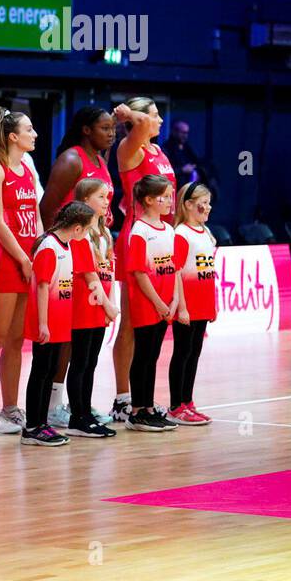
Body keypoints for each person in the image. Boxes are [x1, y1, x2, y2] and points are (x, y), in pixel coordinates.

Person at [110, 98, 176, 422]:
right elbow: (134, 122)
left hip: (162, 240)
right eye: (154, 115)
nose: (160, 120)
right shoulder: (129, 147)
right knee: (132, 324)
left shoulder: (158, 152)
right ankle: (124, 399)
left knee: (152, 324)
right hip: (137, 239)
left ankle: (144, 398)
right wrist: (130, 114)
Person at [0, 107, 40, 435]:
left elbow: (36, 214)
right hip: (5, 260)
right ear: (13, 136)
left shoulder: (27, 168)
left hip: (27, 259)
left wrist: (41, 249)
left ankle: (10, 407)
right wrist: (23, 258)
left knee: (16, 339)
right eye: (29, 130)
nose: (35, 135)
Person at [20, 201, 94, 446]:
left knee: (50, 370)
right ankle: (33, 426)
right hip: (47, 321)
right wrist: (43, 323)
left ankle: (42, 424)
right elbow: (41, 286)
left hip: (60, 319)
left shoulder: (66, 246)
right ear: (76, 228)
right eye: (86, 229)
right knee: (41, 370)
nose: (86, 235)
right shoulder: (49, 247)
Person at [60, 177, 120, 437]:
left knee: (92, 361)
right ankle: (78, 416)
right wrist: (107, 304)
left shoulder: (104, 231)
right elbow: (88, 274)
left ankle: (86, 412)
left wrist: (111, 301)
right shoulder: (79, 234)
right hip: (85, 302)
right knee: (81, 361)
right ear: (84, 201)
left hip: (100, 303)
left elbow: (109, 270)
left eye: (107, 197)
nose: (107, 202)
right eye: (100, 197)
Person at [124, 173, 179, 433]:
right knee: (143, 355)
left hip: (165, 304)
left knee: (153, 355)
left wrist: (175, 299)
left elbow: (175, 267)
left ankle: (148, 407)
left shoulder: (168, 230)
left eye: (170, 196)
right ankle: (137, 411)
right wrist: (157, 302)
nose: (170, 201)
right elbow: (139, 272)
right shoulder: (140, 231)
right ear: (148, 199)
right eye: (164, 196)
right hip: (148, 304)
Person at [168, 181, 216, 425]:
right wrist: (182, 307)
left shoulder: (206, 232)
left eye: (209, 203)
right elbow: (176, 272)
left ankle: (188, 401)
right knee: (183, 353)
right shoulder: (181, 234)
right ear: (187, 205)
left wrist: (213, 304)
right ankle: (176, 406)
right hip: (188, 306)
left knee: (194, 354)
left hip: (203, 304)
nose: (208, 208)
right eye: (202, 203)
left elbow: (210, 271)